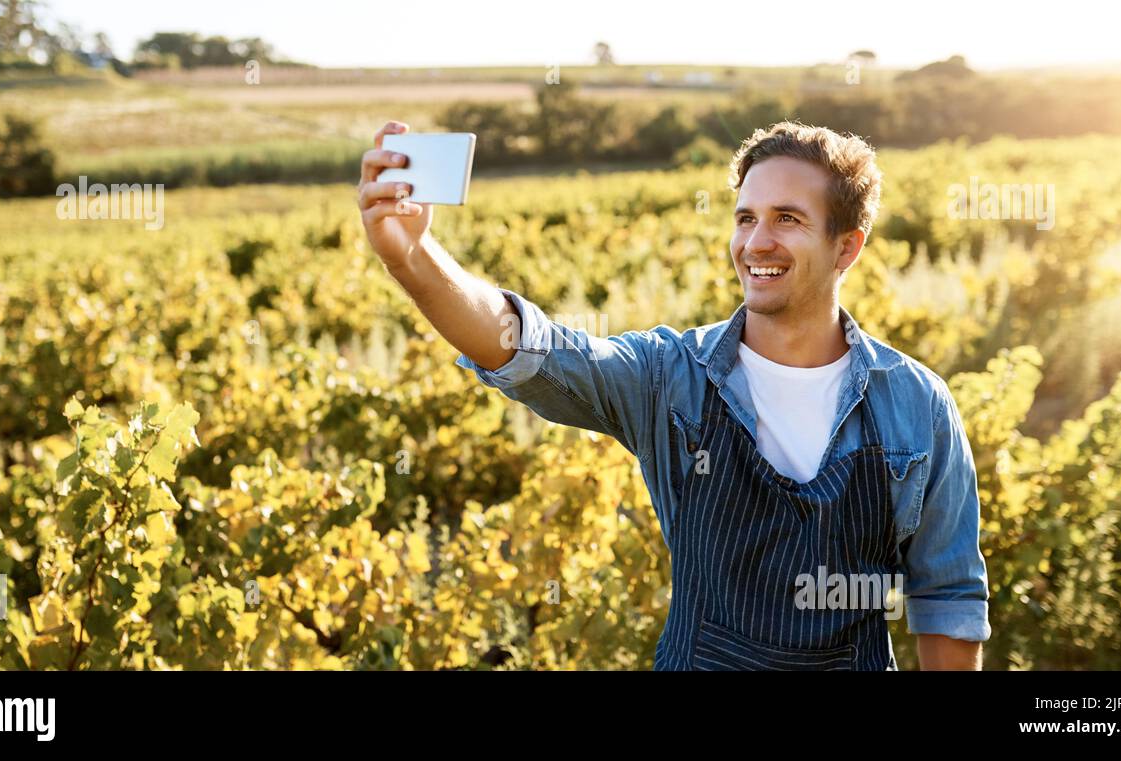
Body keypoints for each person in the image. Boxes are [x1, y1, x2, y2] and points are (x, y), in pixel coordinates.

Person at [357, 119, 989, 670]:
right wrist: (414, 258)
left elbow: (947, 598)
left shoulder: (915, 405)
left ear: (846, 245)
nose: (756, 242)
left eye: (787, 220)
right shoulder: (670, 377)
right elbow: (529, 349)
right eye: (746, 218)